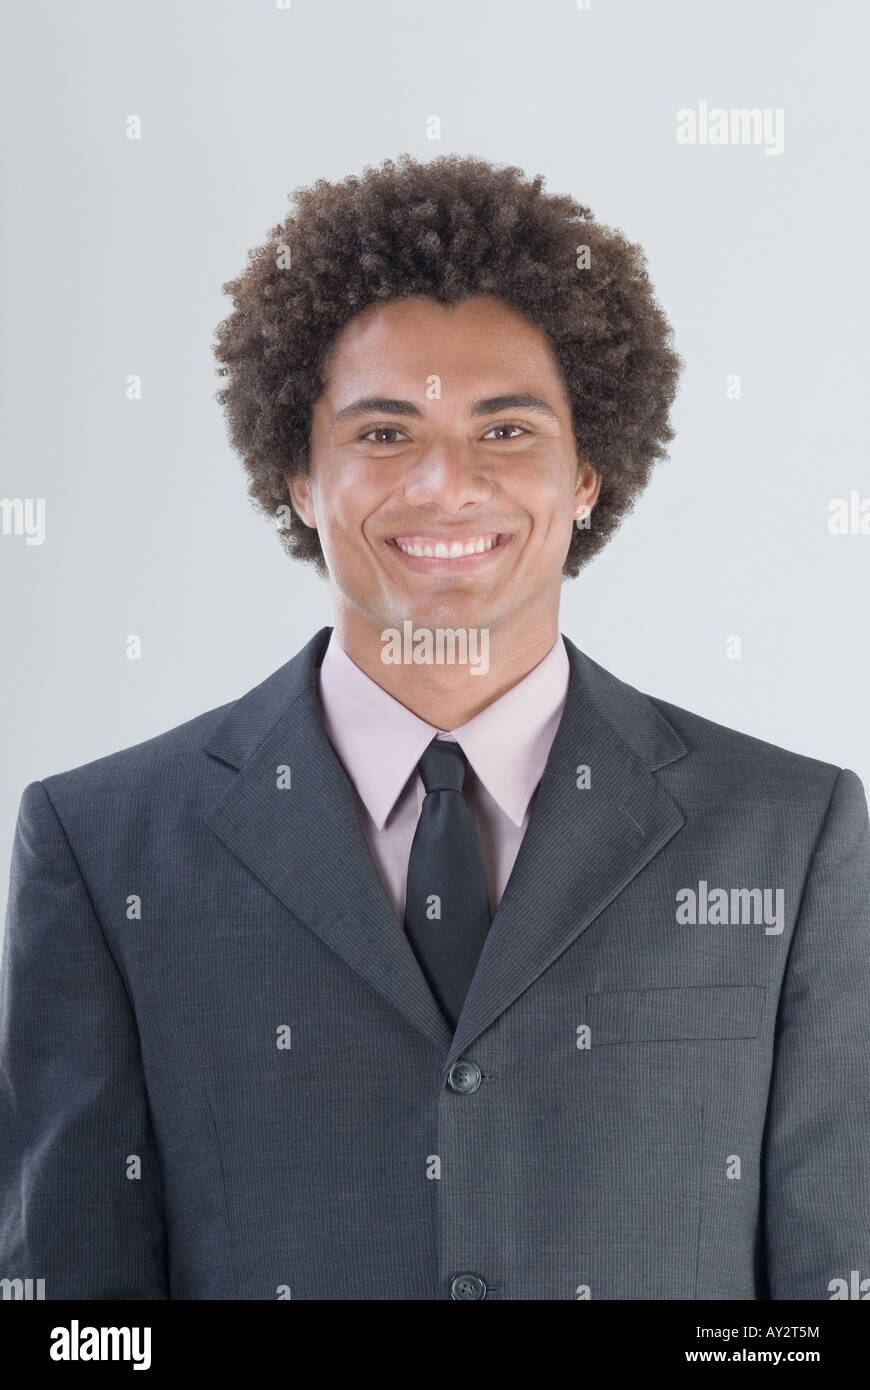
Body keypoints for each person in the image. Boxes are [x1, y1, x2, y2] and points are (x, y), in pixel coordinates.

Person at [2, 153, 868, 1301]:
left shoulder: (787, 834)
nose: (446, 484)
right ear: (299, 477)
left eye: (506, 432)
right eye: (382, 433)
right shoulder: (101, 842)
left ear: (590, 474)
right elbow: (76, 1316)